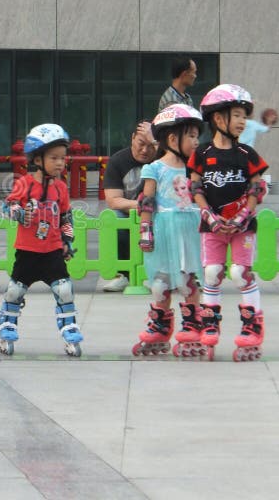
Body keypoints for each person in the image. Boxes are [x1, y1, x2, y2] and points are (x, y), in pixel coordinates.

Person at [188, 84, 269, 362]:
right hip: (212, 225)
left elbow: (258, 189)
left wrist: (242, 217)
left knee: (239, 273)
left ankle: (252, 326)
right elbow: (195, 187)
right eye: (237, 115)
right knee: (211, 273)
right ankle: (210, 321)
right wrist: (208, 215)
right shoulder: (201, 154)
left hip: (242, 226)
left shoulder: (246, 154)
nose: (243, 121)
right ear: (218, 118)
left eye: (244, 116)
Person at [0, 124, 84, 357]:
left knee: (65, 290)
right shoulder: (24, 183)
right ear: (37, 159)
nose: (60, 163)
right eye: (54, 158)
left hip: (52, 252)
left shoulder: (61, 188)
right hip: (27, 252)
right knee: (15, 291)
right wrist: (18, 211)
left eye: (63, 158)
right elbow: (8, 204)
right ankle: (7, 327)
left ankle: (70, 331)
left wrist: (67, 239)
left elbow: (66, 216)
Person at [133, 105, 205, 358]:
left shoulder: (196, 168)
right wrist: (145, 231)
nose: (197, 142)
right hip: (164, 229)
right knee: (160, 283)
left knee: (188, 281)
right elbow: (147, 201)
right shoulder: (154, 168)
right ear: (173, 139)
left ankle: (193, 324)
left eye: (198, 136)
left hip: (189, 229)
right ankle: (161, 327)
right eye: (191, 136)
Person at [102, 121, 157, 291]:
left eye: (151, 145)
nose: (145, 150)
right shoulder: (118, 161)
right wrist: (143, 206)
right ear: (132, 138)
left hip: (161, 213)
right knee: (114, 219)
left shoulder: (165, 158)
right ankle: (123, 275)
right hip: (129, 212)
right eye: (141, 143)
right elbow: (113, 200)